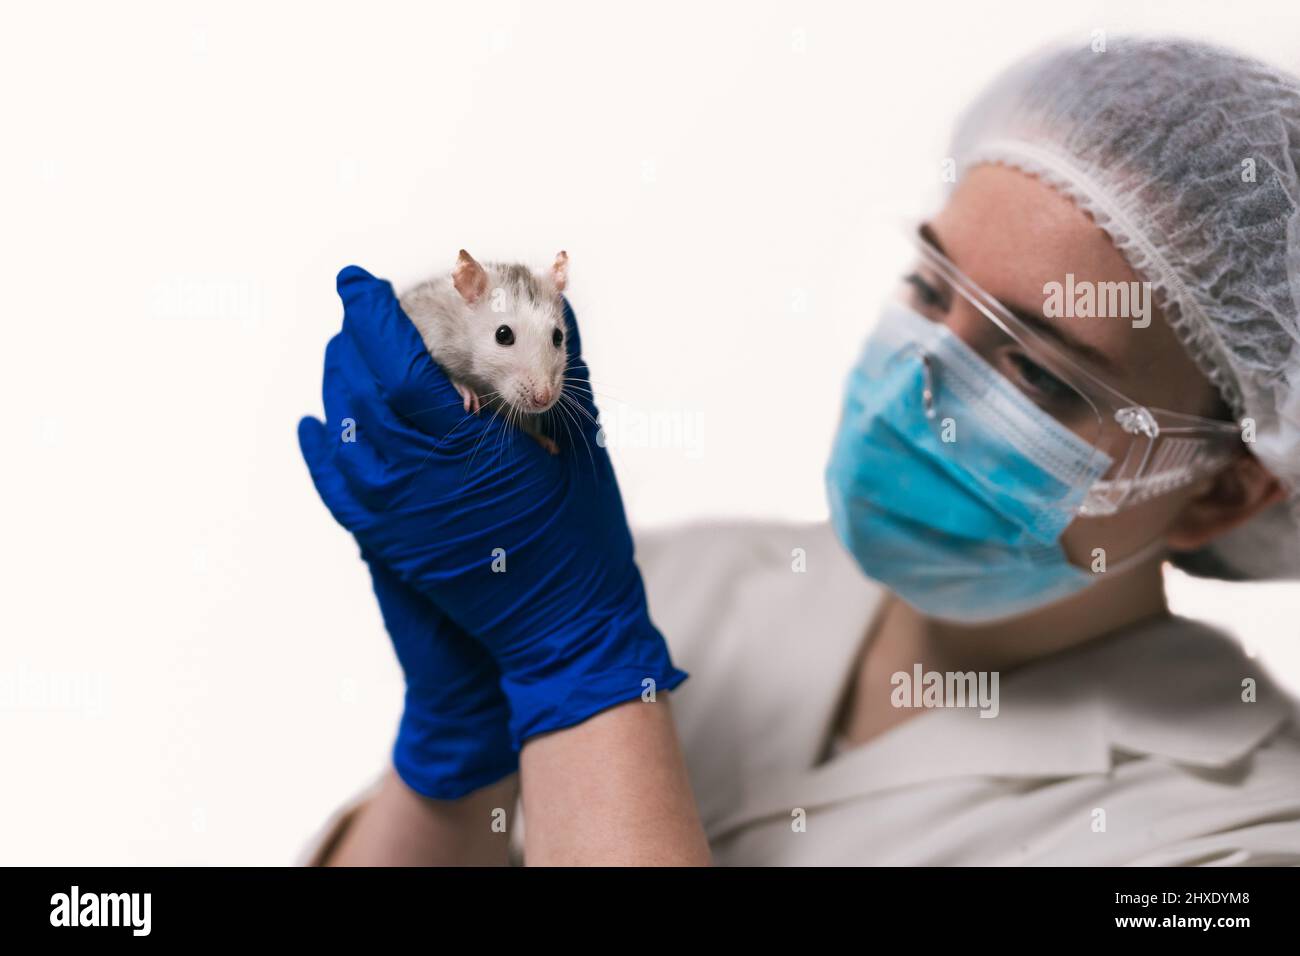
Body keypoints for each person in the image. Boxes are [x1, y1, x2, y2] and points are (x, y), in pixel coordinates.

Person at [297, 36, 1300, 866]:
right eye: (926, 292)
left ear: (1225, 490)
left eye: (1034, 371)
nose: (919, 381)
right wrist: (451, 761)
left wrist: (583, 677)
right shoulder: (686, 582)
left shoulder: (1237, 840)